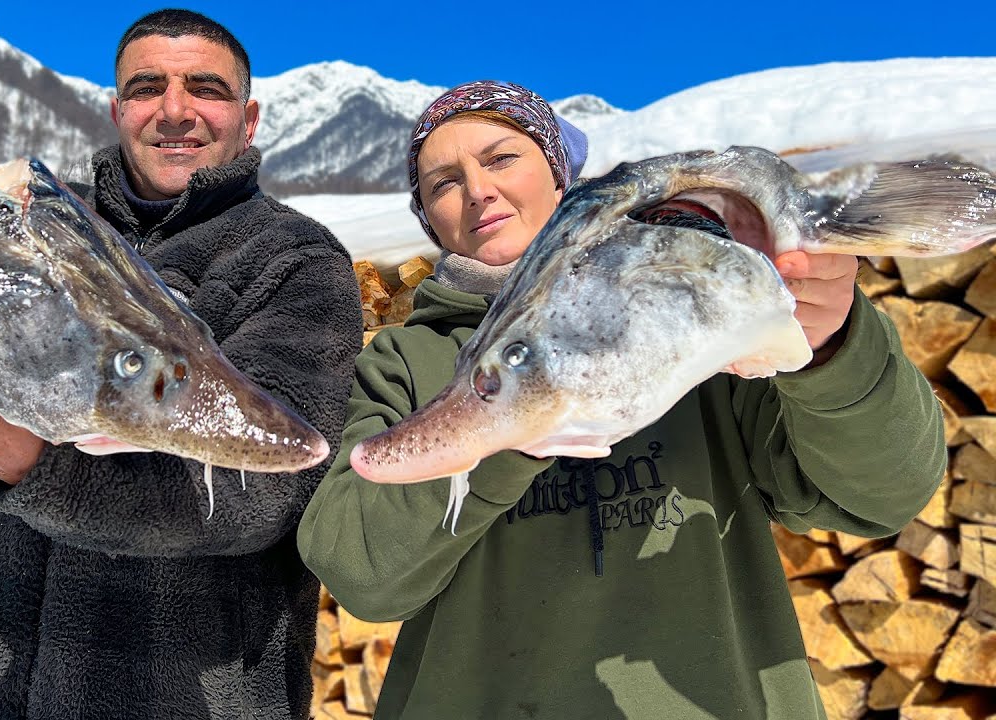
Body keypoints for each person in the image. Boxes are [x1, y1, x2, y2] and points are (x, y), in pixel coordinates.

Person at [297, 80, 945, 720]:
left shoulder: (706, 319)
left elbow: (881, 494)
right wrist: (509, 416)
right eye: (442, 183)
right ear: (426, 216)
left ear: (559, 173)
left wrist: (830, 348)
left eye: (501, 158)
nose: (477, 191)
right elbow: (361, 573)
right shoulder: (405, 361)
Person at [0, 9, 363, 719]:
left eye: (206, 88)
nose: (176, 109)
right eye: (147, 86)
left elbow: (264, 493)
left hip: (187, 694)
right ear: (118, 109)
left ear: (248, 118)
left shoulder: (297, 261)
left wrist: (36, 467)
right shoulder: (29, 221)